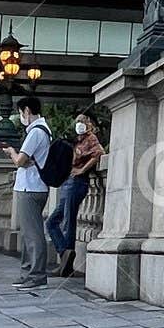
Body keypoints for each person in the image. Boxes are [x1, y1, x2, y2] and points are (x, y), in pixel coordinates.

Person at [4, 95, 53, 290]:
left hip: (31, 187)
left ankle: (37, 275)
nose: (21, 116)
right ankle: (28, 272)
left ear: (26, 111)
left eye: (21, 112)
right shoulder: (43, 130)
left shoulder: (36, 132)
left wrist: (11, 153)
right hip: (34, 186)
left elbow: (20, 161)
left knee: (33, 234)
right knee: (28, 233)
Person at [46, 107, 102, 279]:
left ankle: (66, 261)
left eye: (83, 121)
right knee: (52, 221)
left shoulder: (91, 139)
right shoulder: (76, 141)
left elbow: (98, 154)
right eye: (78, 121)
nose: (80, 124)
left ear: (89, 124)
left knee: (68, 221)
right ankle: (64, 253)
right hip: (68, 183)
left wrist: (81, 170)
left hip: (77, 183)